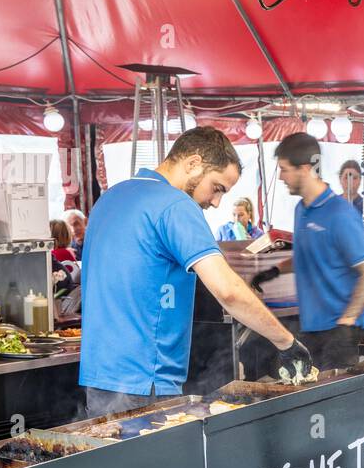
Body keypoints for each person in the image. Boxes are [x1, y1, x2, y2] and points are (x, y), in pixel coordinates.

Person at [80, 127, 310, 416]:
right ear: (193, 164)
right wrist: (286, 342)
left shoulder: (111, 198)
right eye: (217, 188)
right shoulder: (175, 205)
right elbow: (228, 290)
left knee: (109, 460)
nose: (215, 202)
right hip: (146, 379)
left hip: (99, 377)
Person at [278, 133, 364, 370]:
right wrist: (273, 271)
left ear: (304, 168)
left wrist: (346, 323)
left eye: (284, 169)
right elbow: (310, 256)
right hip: (314, 327)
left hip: (345, 331)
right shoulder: (300, 210)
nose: (281, 177)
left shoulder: (340, 213)